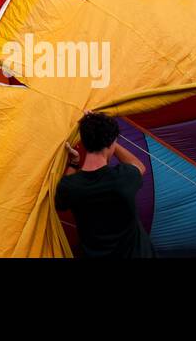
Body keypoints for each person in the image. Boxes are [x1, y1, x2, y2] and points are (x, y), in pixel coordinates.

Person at [55, 111, 155, 258]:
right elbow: (139, 166)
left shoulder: (71, 186)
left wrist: (73, 163)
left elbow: (60, 202)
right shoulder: (123, 179)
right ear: (111, 143)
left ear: (84, 140)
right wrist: (111, 139)